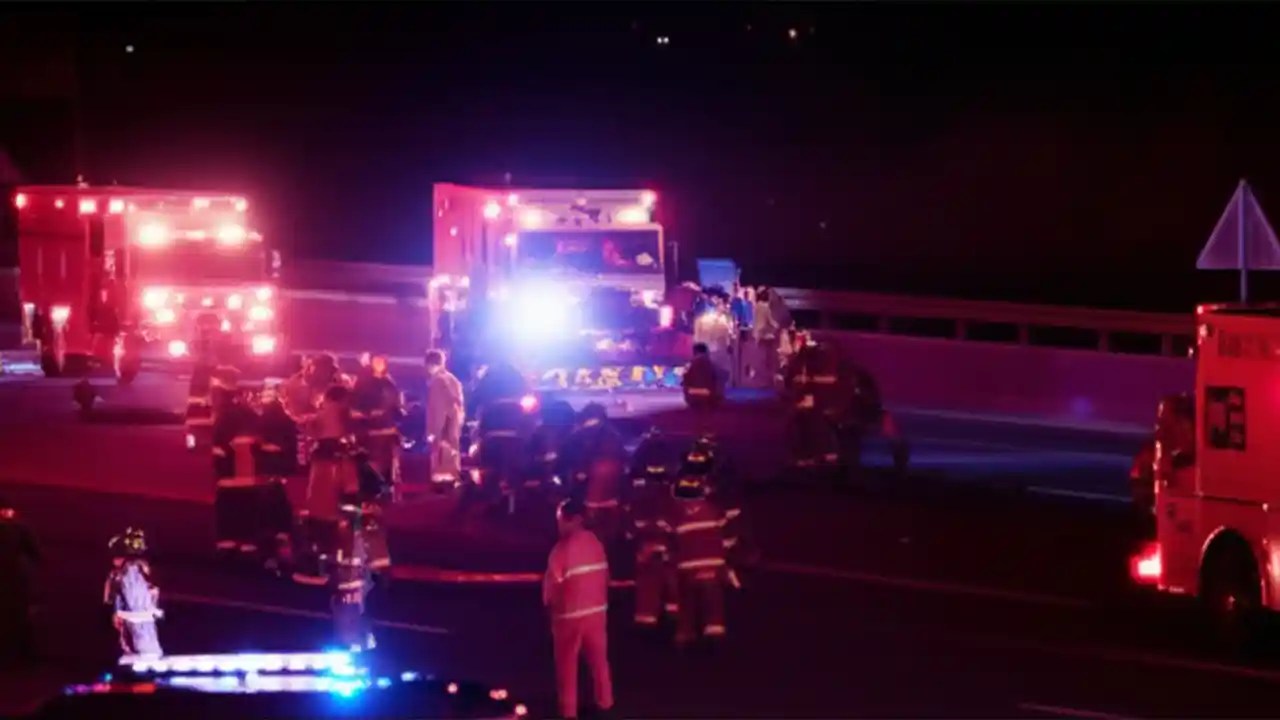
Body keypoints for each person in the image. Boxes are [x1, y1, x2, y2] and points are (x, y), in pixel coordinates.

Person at [543, 498, 614, 720]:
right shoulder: (596, 543)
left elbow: (550, 588)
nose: (559, 525)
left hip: (568, 617)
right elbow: (606, 576)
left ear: (571, 520)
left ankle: (569, 712)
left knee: (567, 666)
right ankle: (605, 702)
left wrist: (551, 605)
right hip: (597, 613)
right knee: (599, 661)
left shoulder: (561, 549)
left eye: (560, 520)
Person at [660, 460, 730, 649]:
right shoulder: (714, 510)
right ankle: (715, 631)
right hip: (715, 564)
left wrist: (667, 557)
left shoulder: (676, 514)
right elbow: (727, 532)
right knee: (714, 600)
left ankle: (685, 633)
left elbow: (668, 539)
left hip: (687, 565)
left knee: (687, 600)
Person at [626, 429, 679, 628]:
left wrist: (631, 534)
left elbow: (630, 518)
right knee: (672, 576)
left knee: (648, 580)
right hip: (667, 541)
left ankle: (646, 620)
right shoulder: (670, 489)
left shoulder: (639, 492)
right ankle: (673, 614)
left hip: (647, 542)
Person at [561, 403, 627, 549]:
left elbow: (567, 464)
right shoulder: (613, 436)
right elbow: (623, 465)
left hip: (586, 500)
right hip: (611, 501)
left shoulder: (576, 438)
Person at [211, 386, 263, 555]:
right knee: (247, 504)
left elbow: (217, 443)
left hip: (228, 470)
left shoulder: (223, 416)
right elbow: (259, 439)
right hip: (247, 470)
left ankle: (227, 538)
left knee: (228, 504)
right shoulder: (250, 415)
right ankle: (248, 539)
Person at [103, 528, 163, 659]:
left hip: (143, 647)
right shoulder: (125, 574)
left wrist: (121, 615)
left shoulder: (132, 572)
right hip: (138, 647)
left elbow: (144, 614)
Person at [0, 497, 39, 666]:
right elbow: (36, 553)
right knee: (16, 617)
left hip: (14, 580)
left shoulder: (18, 528)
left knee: (15, 616)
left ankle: (17, 656)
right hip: (15, 579)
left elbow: (35, 553)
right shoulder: (18, 528)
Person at [425, 350, 466, 485]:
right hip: (453, 431)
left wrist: (433, 431)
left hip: (442, 432)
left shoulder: (437, 382)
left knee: (441, 470)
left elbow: (438, 409)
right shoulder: (454, 381)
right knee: (452, 467)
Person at [682, 342, 725, 414]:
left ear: (695, 351)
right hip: (708, 392)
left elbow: (685, 377)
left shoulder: (691, 363)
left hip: (693, 393)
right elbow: (718, 377)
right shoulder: (711, 363)